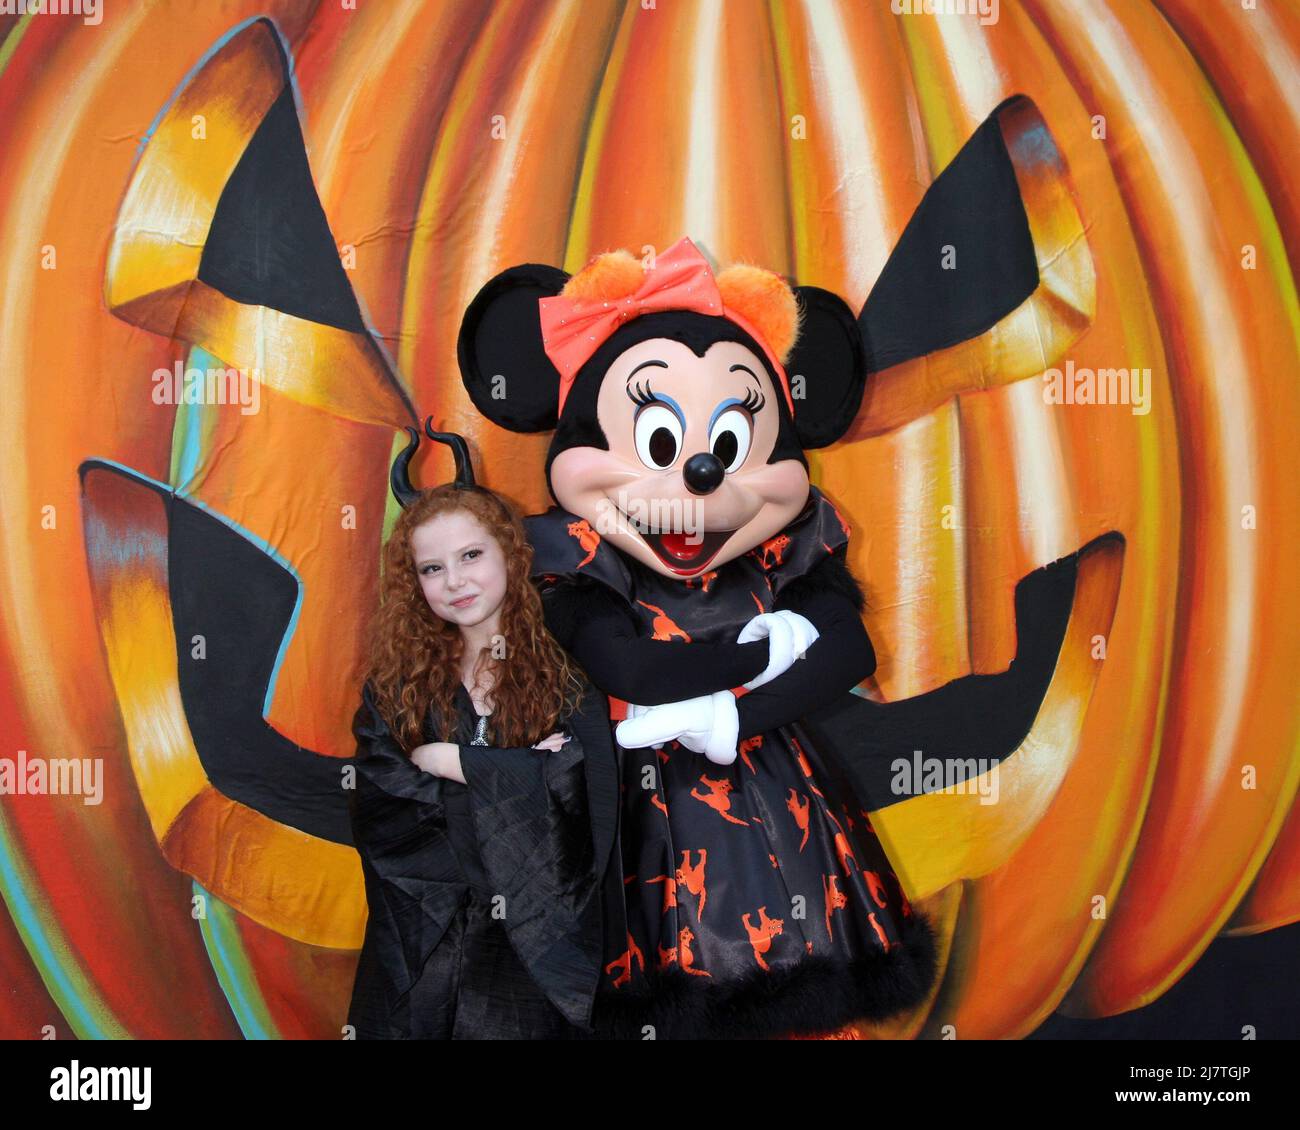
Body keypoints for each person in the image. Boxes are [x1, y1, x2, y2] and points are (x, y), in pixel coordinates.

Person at [346, 424, 619, 1040]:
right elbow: (383, 803)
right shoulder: (395, 686)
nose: (456, 582)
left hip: (529, 947)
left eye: (472, 556)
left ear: (509, 555)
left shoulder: (561, 672)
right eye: (432, 568)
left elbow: (580, 791)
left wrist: (457, 764)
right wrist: (520, 776)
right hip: (426, 937)